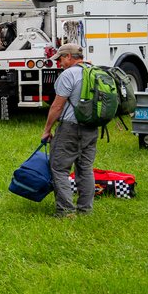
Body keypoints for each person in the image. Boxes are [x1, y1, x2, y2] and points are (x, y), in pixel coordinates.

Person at [41, 43, 97, 218]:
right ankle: (85, 210)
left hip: (70, 127)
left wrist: (47, 129)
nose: (59, 63)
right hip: (92, 127)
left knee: (59, 168)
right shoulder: (94, 71)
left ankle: (66, 211)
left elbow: (57, 106)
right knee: (85, 168)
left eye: (61, 59)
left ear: (69, 57)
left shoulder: (69, 74)